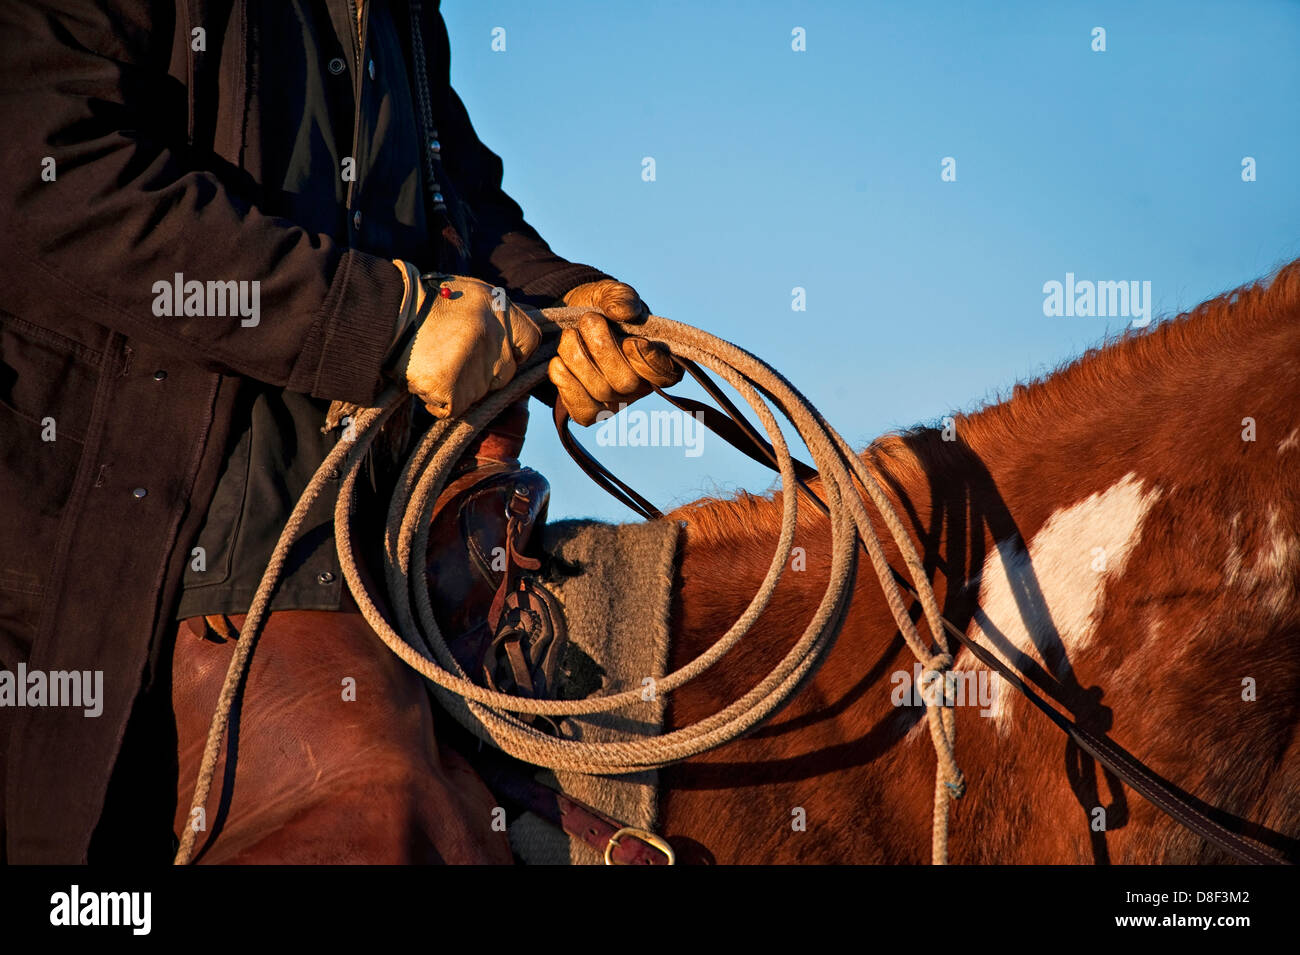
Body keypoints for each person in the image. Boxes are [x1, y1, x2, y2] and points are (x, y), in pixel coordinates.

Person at [0, 0, 677, 862]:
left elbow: (451, 195)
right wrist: (385, 321)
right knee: (386, 816)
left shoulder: (398, 14)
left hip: (370, 508)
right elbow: (47, 169)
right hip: (138, 505)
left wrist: (554, 300)